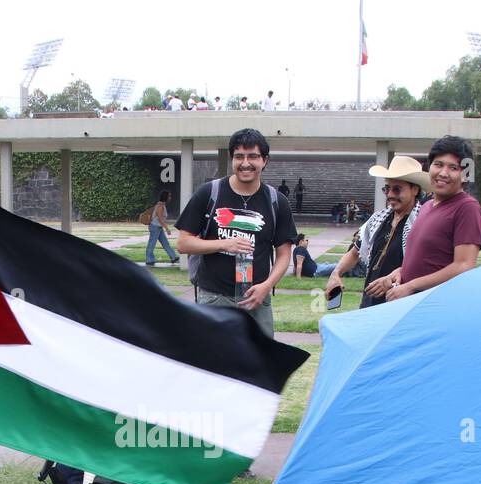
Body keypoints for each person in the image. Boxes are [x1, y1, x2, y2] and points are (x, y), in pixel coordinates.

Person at [175, 127, 296, 338]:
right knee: (214, 364)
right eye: (239, 156)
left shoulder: (277, 202)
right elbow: (183, 243)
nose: (245, 163)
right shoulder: (209, 193)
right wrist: (223, 244)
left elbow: (284, 254)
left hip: (256, 298)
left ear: (264, 160)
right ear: (232, 159)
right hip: (214, 298)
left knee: (260, 364)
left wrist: (266, 286)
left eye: (253, 156)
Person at [383, 136, 481, 302]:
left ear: (465, 174)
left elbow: (464, 265)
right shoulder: (426, 206)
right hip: (411, 304)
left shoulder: (467, 207)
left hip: (437, 305)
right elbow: (430, 259)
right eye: (438, 164)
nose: (443, 173)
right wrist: (401, 272)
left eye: (453, 167)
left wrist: (411, 286)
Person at [325, 156, 430, 309]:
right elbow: (355, 251)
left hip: (403, 306)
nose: (390, 195)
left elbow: (427, 265)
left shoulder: (424, 222)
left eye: (397, 189)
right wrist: (336, 274)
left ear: (415, 190)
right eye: (387, 188)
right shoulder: (378, 219)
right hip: (369, 304)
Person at [145, 189, 178, 266]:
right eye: (169, 196)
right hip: (155, 227)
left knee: (165, 243)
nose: (170, 197)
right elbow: (160, 219)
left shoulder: (162, 205)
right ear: (165, 197)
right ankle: (149, 260)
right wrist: (167, 228)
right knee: (152, 243)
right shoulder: (160, 206)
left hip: (158, 227)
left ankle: (173, 257)